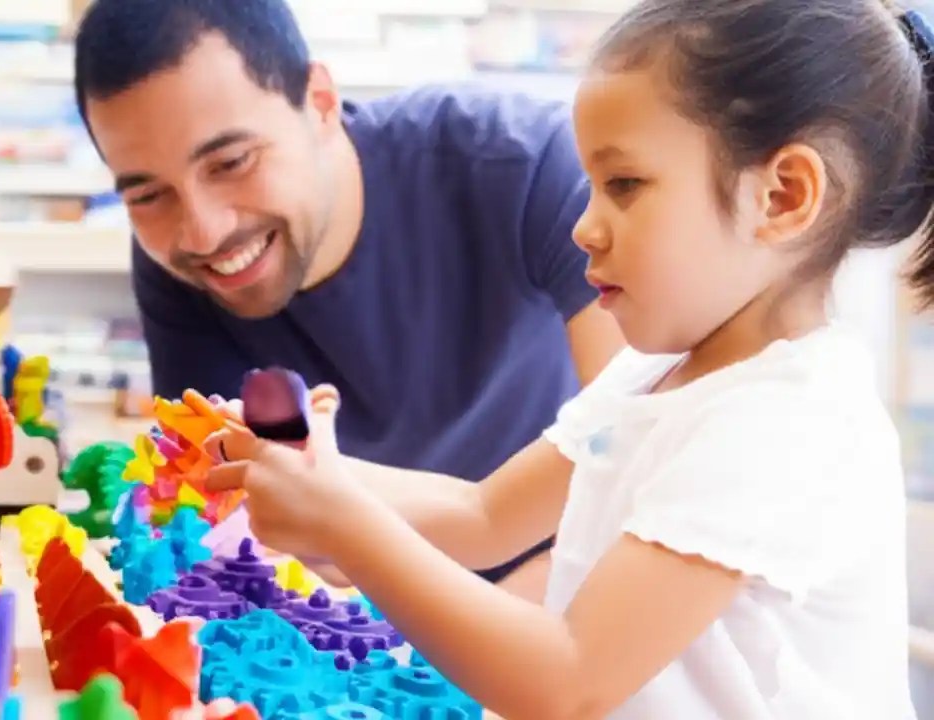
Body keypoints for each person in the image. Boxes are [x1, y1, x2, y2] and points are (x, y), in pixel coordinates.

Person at [206, 0, 931, 717]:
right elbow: (481, 513)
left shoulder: (784, 421)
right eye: (591, 184)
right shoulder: (659, 376)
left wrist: (343, 525)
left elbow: (570, 680)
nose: (584, 226)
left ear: (782, 196)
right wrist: (302, 466)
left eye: (625, 185)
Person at [72, 0, 626, 592]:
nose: (202, 231)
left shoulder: (526, 164)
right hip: (378, 614)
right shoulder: (181, 263)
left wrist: (493, 637)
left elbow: (642, 458)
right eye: (148, 196)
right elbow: (261, 526)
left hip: (569, 585)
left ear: (319, 103)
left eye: (232, 162)